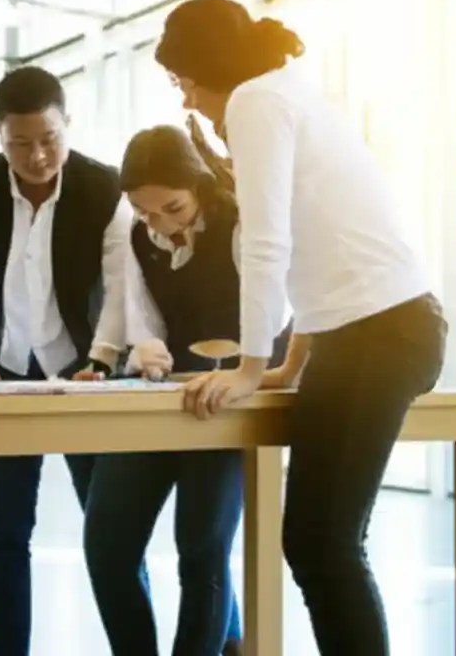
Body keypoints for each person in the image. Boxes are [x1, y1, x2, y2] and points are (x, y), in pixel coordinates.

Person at [159, 0, 448, 655]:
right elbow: (323, 253)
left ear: (204, 69)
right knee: (318, 539)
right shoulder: (284, 92)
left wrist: (251, 368)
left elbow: (269, 240)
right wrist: (292, 362)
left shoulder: (258, 102)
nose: (186, 103)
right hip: (366, 331)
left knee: (323, 540)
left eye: (182, 83)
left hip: (385, 333)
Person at [83, 126, 290, 656]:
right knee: (107, 544)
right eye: (145, 212)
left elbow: (276, 314)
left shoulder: (246, 221)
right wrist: (144, 346)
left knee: (201, 550)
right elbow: (141, 313)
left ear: (199, 186)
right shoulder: (138, 234)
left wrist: (241, 370)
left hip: (231, 394)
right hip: (164, 391)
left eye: (172, 209)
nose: (161, 224)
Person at [0, 65, 134, 655]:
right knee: (3, 533)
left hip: (83, 370)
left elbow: (120, 288)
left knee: (111, 535)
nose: (36, 156)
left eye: (49, 139)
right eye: (19, 143)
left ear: (68, 125)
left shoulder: (105, 188)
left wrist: (103, 362)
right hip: (5, 369)